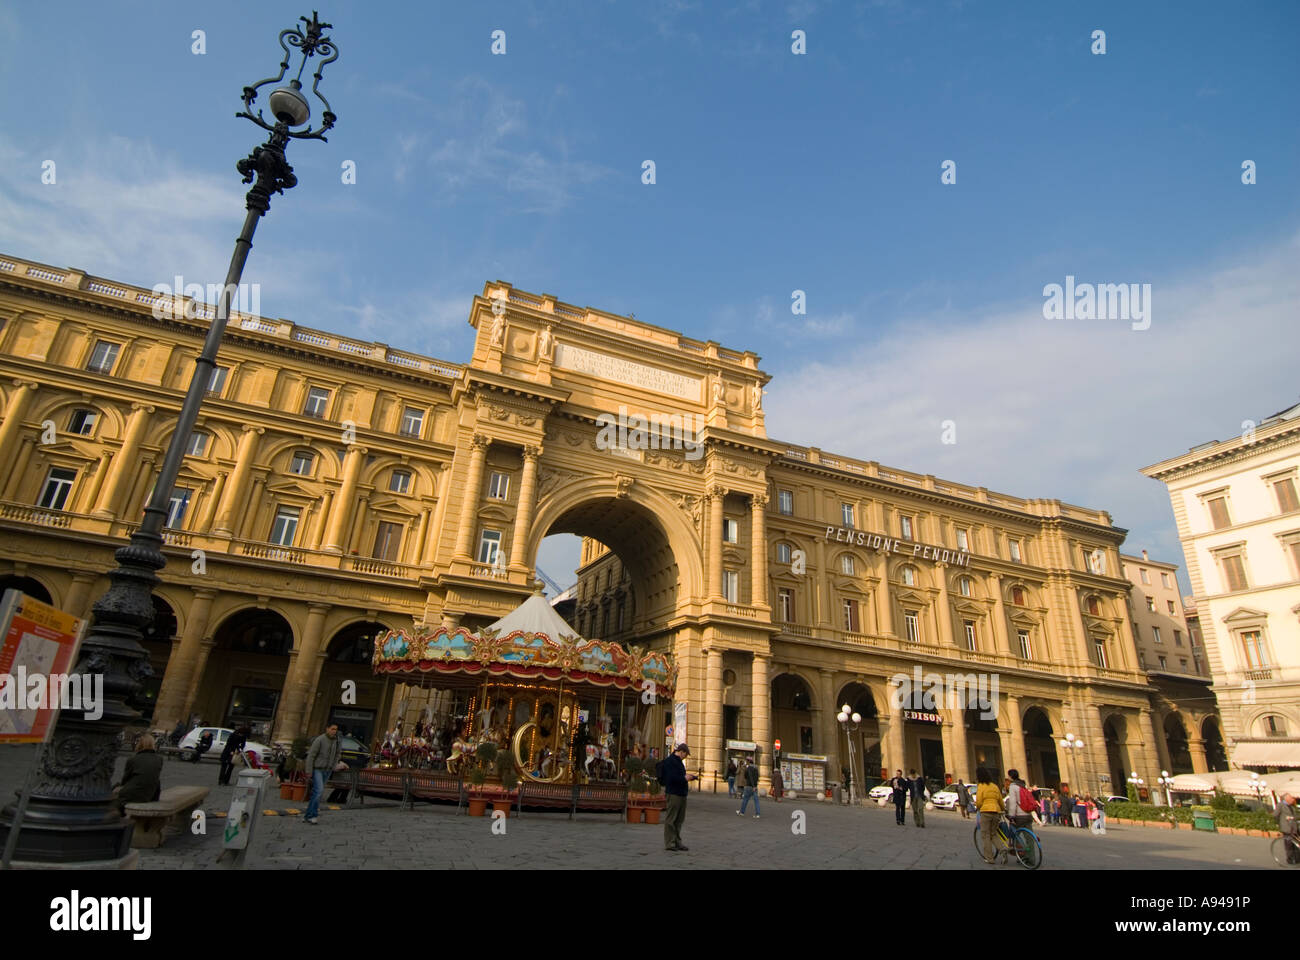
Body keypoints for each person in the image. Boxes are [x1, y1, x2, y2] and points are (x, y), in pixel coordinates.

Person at [303, 723, 344, 825]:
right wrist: (308, 771)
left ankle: (307, 815)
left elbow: (338, 753)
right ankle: (313, 815)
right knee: (319, 791)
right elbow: (311, 755)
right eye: (332, 729)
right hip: (318, 769)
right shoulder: (320, 740)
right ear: (327, 729)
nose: (334, 731)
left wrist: (334, 765)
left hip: (328, 769)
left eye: (336, 729)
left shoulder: (337, 741)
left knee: (316, 793)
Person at [661, 743, 697, 852]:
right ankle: (670, 843)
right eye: (685, 755)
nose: (685, 757)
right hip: (673, 794)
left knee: (679, 820)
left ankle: (677, 841)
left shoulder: (679, 762)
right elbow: (671, 778)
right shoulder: (670, 761)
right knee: (671, 819)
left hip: (681, 794)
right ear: (681, 752)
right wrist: (684, 778)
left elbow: (678, 776)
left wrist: (689, 777)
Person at [114, 733, 163, 814]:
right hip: (148, 795)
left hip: (133, 793)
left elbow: (126, 779)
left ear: (140, 744)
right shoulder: (159, 759)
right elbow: (155, 777)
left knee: (114, 792)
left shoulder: (133, 759)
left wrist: (119, 789)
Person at [975, 766, 1006, 864]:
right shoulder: (994, 786)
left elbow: (979, 801)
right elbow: (1001, 801)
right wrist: (1002, 809)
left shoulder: (981, 786)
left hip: (986, 812)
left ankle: (990, 858)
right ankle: (1002, 849)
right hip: (996, 812)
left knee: (985, 835)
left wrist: (979, 808)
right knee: (993, 834)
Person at [1276, 793, 1299, 864]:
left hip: (1293, 827)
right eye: (1291, 798)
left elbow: (1294, 816)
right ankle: (1290, 860)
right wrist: (1278, 823)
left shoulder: (1291, 806)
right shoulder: (1280, 805)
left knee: (1296, 844)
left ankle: (1297, 859)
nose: (1293, 799)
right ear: (1286, 799)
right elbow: (1276, 814)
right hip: (1286, 828)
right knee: (1289, 845)